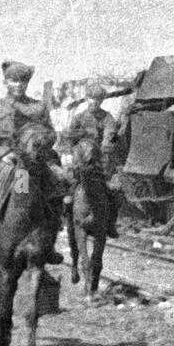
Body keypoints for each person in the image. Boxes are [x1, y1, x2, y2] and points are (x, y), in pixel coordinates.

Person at [0, 61, 65, 264]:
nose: (18, 85)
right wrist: (3, 154)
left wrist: (41, 142)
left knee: (58, 185)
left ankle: (49, 242)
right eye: (13, 80)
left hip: (34, 162)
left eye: (22, 81)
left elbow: (51, 134)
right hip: (9, 162)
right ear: (6, 82)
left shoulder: (38, 107)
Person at [62, 83, 120, 237]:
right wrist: (68, 153)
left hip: (100, 159)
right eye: (92, 99)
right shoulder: (78, 117)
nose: (95, 102)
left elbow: (110, 133)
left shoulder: (107, 117)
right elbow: (68, 137)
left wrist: (105, 146)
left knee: (113, 190)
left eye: (98, 100)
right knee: (69, 184)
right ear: (87, 99)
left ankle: (110, 223)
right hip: (79, 158)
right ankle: (68, 216)